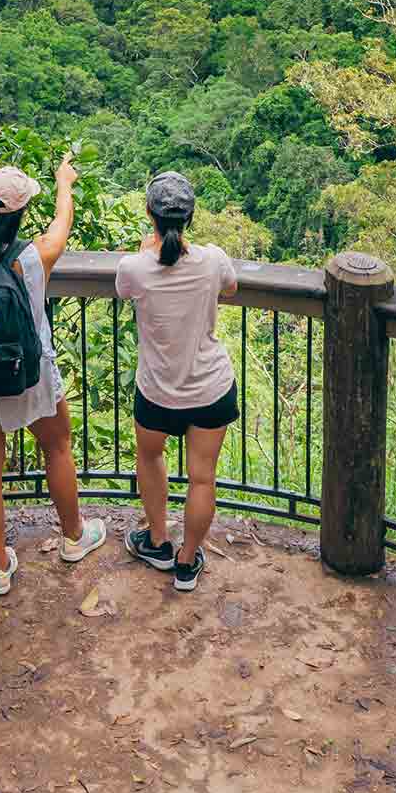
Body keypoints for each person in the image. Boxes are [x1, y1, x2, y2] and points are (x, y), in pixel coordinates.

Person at [0, 157, 106, 595]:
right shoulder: (32, 258)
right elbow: (61, 223)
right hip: (29, 375)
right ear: (19, 215)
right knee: (57, 448)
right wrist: (63, 182)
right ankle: (74, 537)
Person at [116, 171, 238, 591]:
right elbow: (232, 287)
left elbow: (125, 289)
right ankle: (187, 563)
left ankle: (157, 541)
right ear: (191, 216)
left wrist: (146, 251)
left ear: (149, 215)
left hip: (158, 389)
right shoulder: (213, 259)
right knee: (202, 476)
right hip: (210, 386)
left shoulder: (133, 267)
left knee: (150, 458)